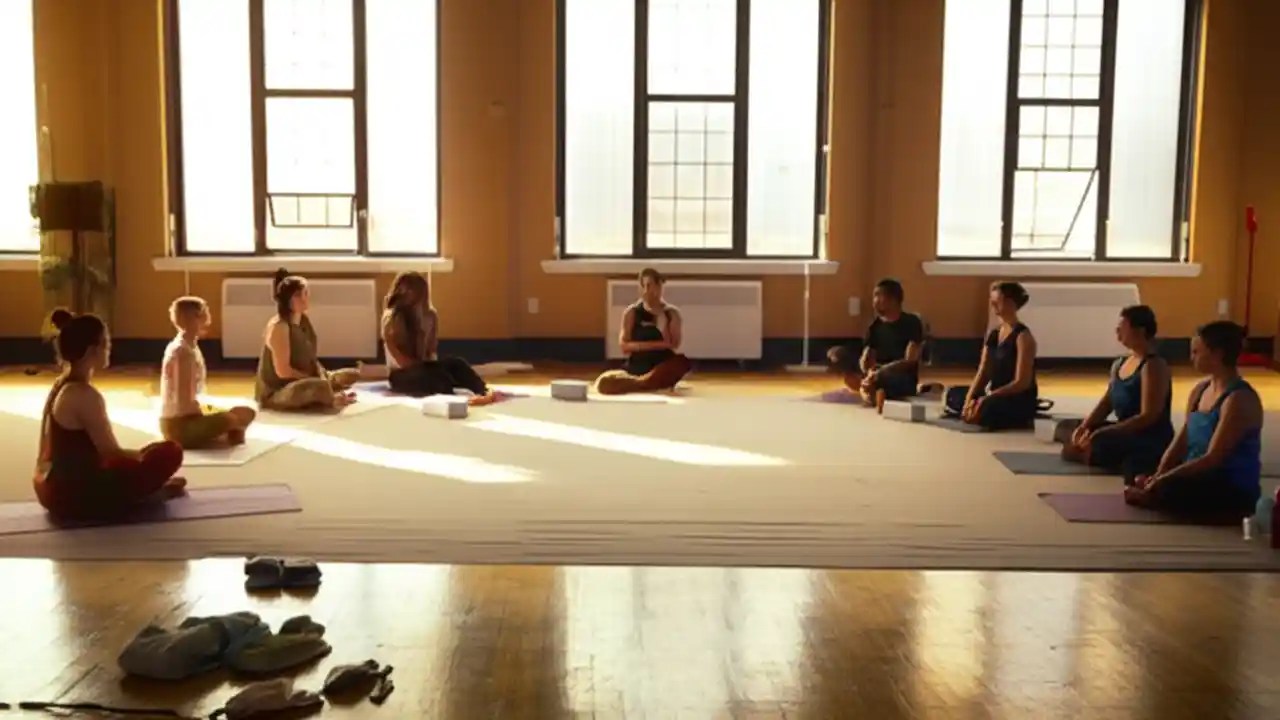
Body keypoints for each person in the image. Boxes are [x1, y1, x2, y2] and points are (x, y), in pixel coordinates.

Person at [33, 309, 186, 520]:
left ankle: (143, 491)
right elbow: (111, 454)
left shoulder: (61, 384)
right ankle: (143, 496)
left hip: (48, 484)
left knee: (149, 453)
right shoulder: (84, 395)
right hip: (69, 495)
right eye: (106, 343)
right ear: (91, 350)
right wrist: (146, 461)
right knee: (171, 451)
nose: (110, 348)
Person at [1126, 321, 1263, 519]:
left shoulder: (1239, 400)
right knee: (1135, 464)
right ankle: (1154, 492)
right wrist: (1160, 472)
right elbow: (1183, 437)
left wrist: (1164, 480)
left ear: (1217, 354)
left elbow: (1213, 458)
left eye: (1197, 352)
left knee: (1171, 487)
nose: (1191, 357)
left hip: (1228, 484)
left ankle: (1154, 496)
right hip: (1197, 473)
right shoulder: (1200, 390)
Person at [1061, 305, 1173, 480]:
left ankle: (1102, 455)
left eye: (1123, 327)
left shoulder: (1153, 366)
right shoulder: (1119, 363)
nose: (1117, 331)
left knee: (1099, 441)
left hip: (1146, 435)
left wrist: (1105, 433)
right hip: (1122, 429)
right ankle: (1094, 452)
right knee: (1069, 429)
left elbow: (1149, 416)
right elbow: (1107, 402)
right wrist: (1085, 426)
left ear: (1140, 331)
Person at [381, 271, 497, 404]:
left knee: (456, 364)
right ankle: (455, 400)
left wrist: (433, 364)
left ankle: (483, 391)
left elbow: (431, 351)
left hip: (424, 366)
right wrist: (430, 368)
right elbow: (401, 361)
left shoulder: (430, 315)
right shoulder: (393, 318)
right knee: (436, 377)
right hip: (402, 372)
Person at [254, 269, 361, 411]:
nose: (304, 299)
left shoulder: (303, 320)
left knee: (352, 375)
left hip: (306, 377)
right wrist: (317, 382)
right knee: (320, 388)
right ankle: (328, 396)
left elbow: (311, 357)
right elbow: (283, 372)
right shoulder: (279, 327)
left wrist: (322, 376)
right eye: (298, 295)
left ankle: (324, 388)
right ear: (287, 300)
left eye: (305, 293)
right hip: (280, 390)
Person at [159, 297, 257, 448]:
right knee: (229, 419)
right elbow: (183, 401)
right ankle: (223, 433)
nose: (209, 319)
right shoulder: (182, 353)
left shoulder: (191, 346)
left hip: (192, 414)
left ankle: (224, 432)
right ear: (194, 318)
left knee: (246, 411)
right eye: (205, 313)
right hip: (179, 425)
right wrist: (214, 413)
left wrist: (214, 409)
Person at [951, 281, 1040, 430]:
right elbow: (983, 371)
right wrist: (969, 399)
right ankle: (973, 409)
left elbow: (1022, 383)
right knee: (954, 395)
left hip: (1015, 397)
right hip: (995, 393)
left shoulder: (1023, 337)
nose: (992, 305)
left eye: (996, 301)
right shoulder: (994, 334)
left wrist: (988, 398)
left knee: (987, 407)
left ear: (1010, 303)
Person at [827, 278, 924, 410]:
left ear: (893, 299)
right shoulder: (874, 326)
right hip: (876, 374)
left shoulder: (912, 322)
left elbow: (910, 360)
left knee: (885, 380)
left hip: (899, 376)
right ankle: (868, 389)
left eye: (879, 296)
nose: (875, 301)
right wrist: (868, 372)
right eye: (874, 296)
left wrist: (880, 372)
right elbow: (867, 357)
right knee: (836, 353)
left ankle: (868, 391)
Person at [595, 268, 692, 395]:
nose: (648, 291)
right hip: (638, 365)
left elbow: (674, 344)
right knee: (605, 382)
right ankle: (645, 383)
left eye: (652, 286)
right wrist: (657, 345)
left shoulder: (671, 313)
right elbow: (624, 346)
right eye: (645, 286)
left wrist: (663, 327)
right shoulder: (632, 312)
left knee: (682, 362)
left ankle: (638, 384)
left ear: (660, 287)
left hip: (661, 366)